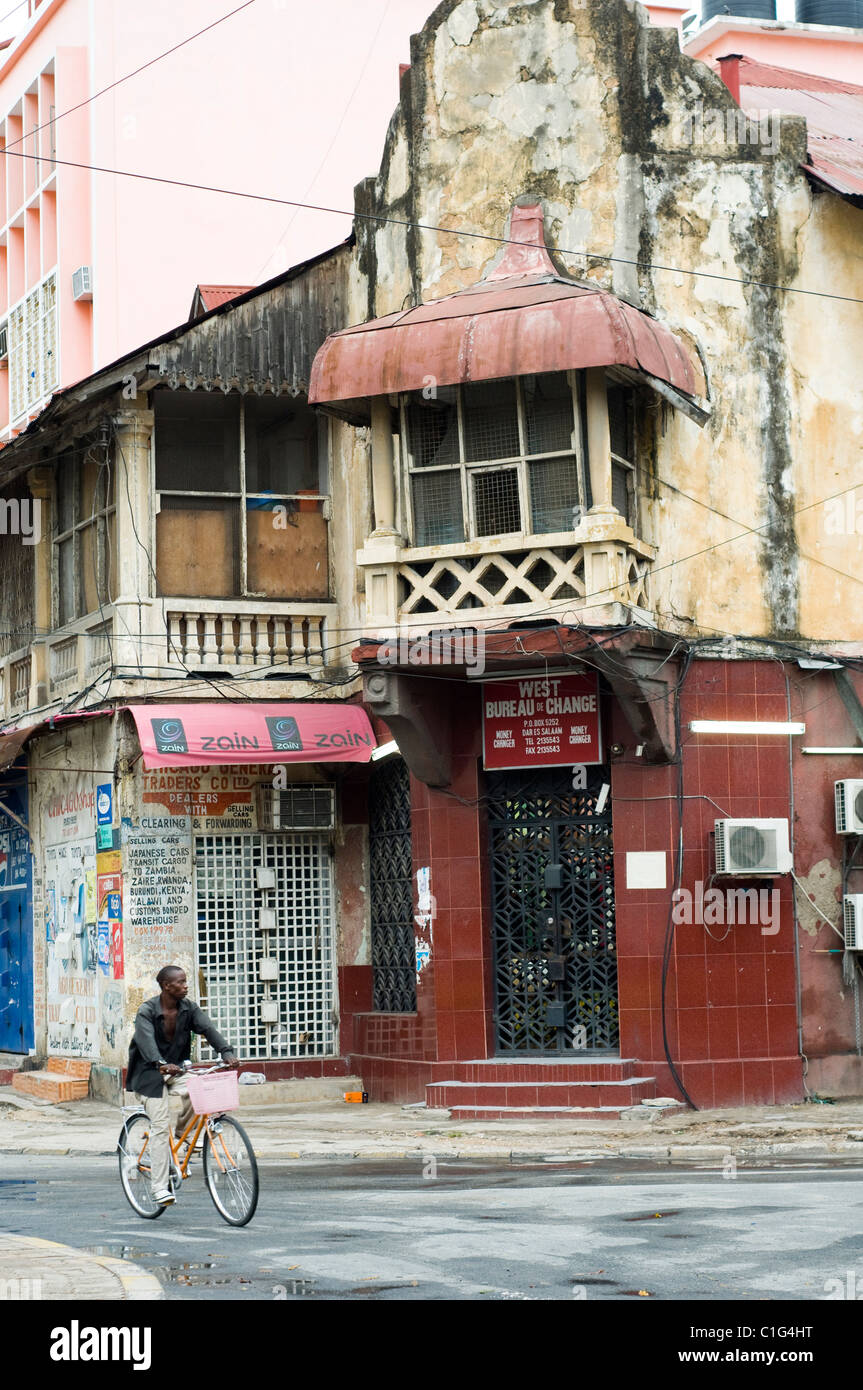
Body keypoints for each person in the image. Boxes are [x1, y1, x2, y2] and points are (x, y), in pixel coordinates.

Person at [126, 964, 238, 1205]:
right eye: (181, 982)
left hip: (177, 1070)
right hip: (148, 1075)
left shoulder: (189, 1008)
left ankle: (184, 1135)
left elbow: (208, 1029)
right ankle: (159, 1188)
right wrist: (159, 1063)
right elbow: (146, 1042)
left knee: (202, 1089)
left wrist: (226, 1051)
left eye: (186, 981)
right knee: (159, 1126)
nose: (186, 986)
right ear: (167, 986)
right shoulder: (146, 1011)